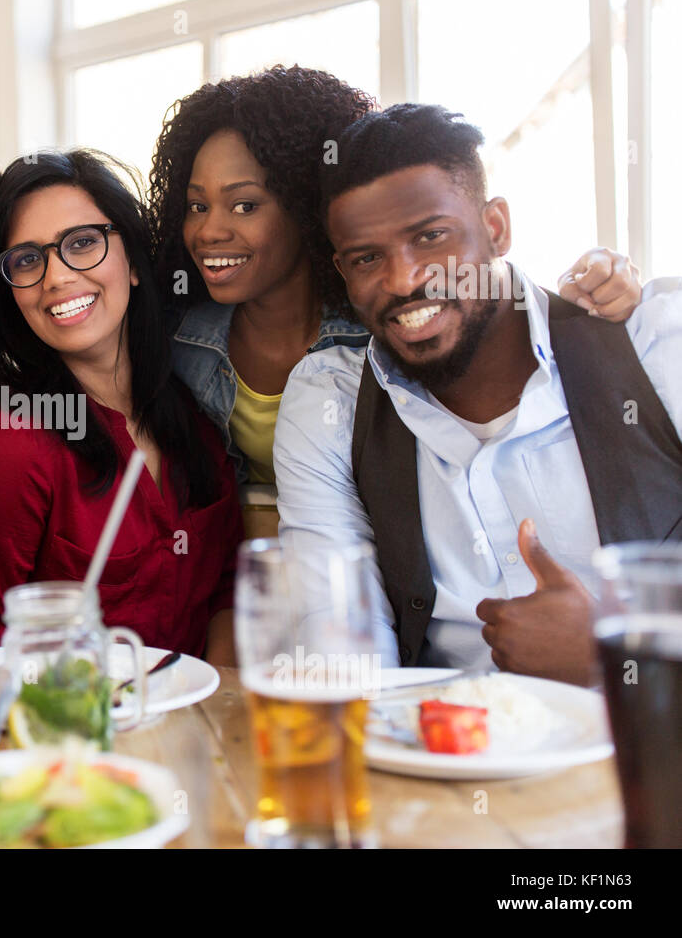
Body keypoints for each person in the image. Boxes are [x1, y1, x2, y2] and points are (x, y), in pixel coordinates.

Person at [274, 103, 682, 684]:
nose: (403, 279)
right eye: (368, 258)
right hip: (437, 756)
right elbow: (342, 658)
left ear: (495, 229)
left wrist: (615, 651)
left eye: (430, 236)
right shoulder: (329, 402)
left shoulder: (656, 342)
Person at [149, 67, 644, 532]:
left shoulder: (392, 328)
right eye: (196, 206)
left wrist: (604, 274)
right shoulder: (178, 342)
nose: (210, 230)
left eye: (244, 205)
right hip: (241, 577)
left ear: (305, 206)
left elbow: (488, 298)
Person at [0, 150, 242, 664]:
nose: (56, 277)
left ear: (136, 266)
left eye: (82, 243)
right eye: (28, 259)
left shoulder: (195, 421)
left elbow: (225, 597)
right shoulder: (16, 444)